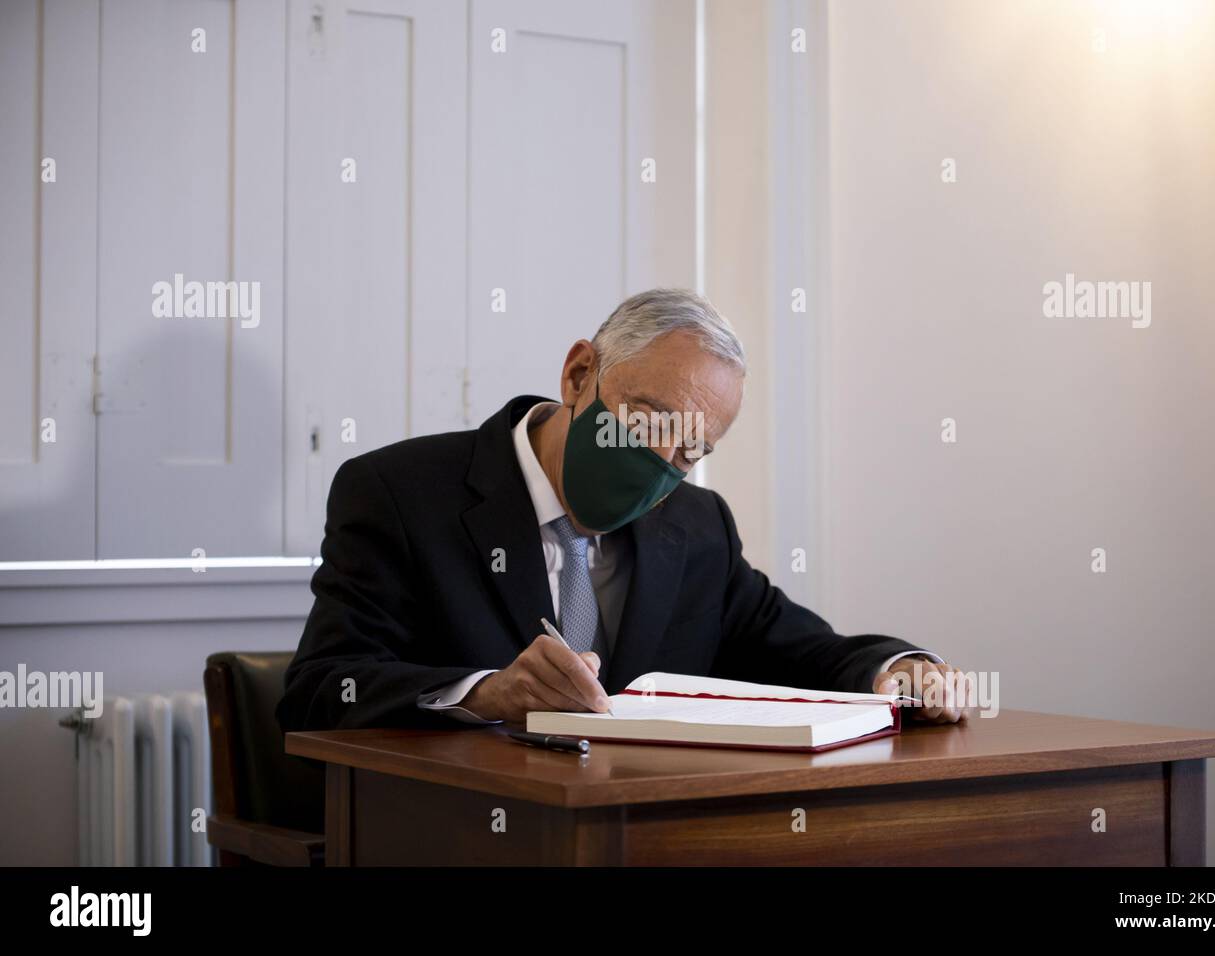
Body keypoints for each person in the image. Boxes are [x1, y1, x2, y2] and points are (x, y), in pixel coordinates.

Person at [276, 288, 969, 730]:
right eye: (646, 423)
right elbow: (318, 689)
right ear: (581, 374)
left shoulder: (697, 527)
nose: (661, 465)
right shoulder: (401, 493)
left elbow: (797, 648)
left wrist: (897, 670)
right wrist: (486, 694)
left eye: (689, 452)